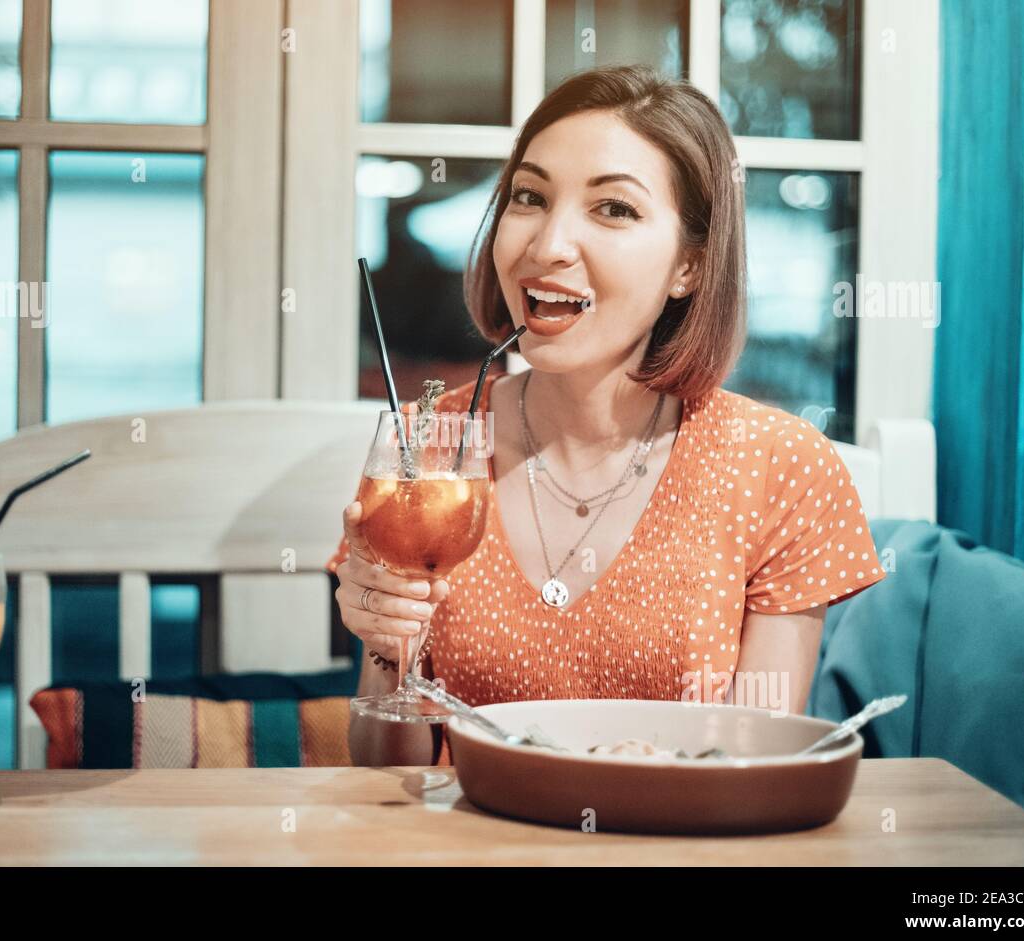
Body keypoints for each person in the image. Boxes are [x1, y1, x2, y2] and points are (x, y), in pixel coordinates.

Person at [327, 65, 885, 767]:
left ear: (690, 264)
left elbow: (753, 767)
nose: (547, 245)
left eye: (614, 209)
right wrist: (388, 649)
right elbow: (387, 776)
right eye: (529, 197)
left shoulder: (781, 468)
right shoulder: (426, 446)